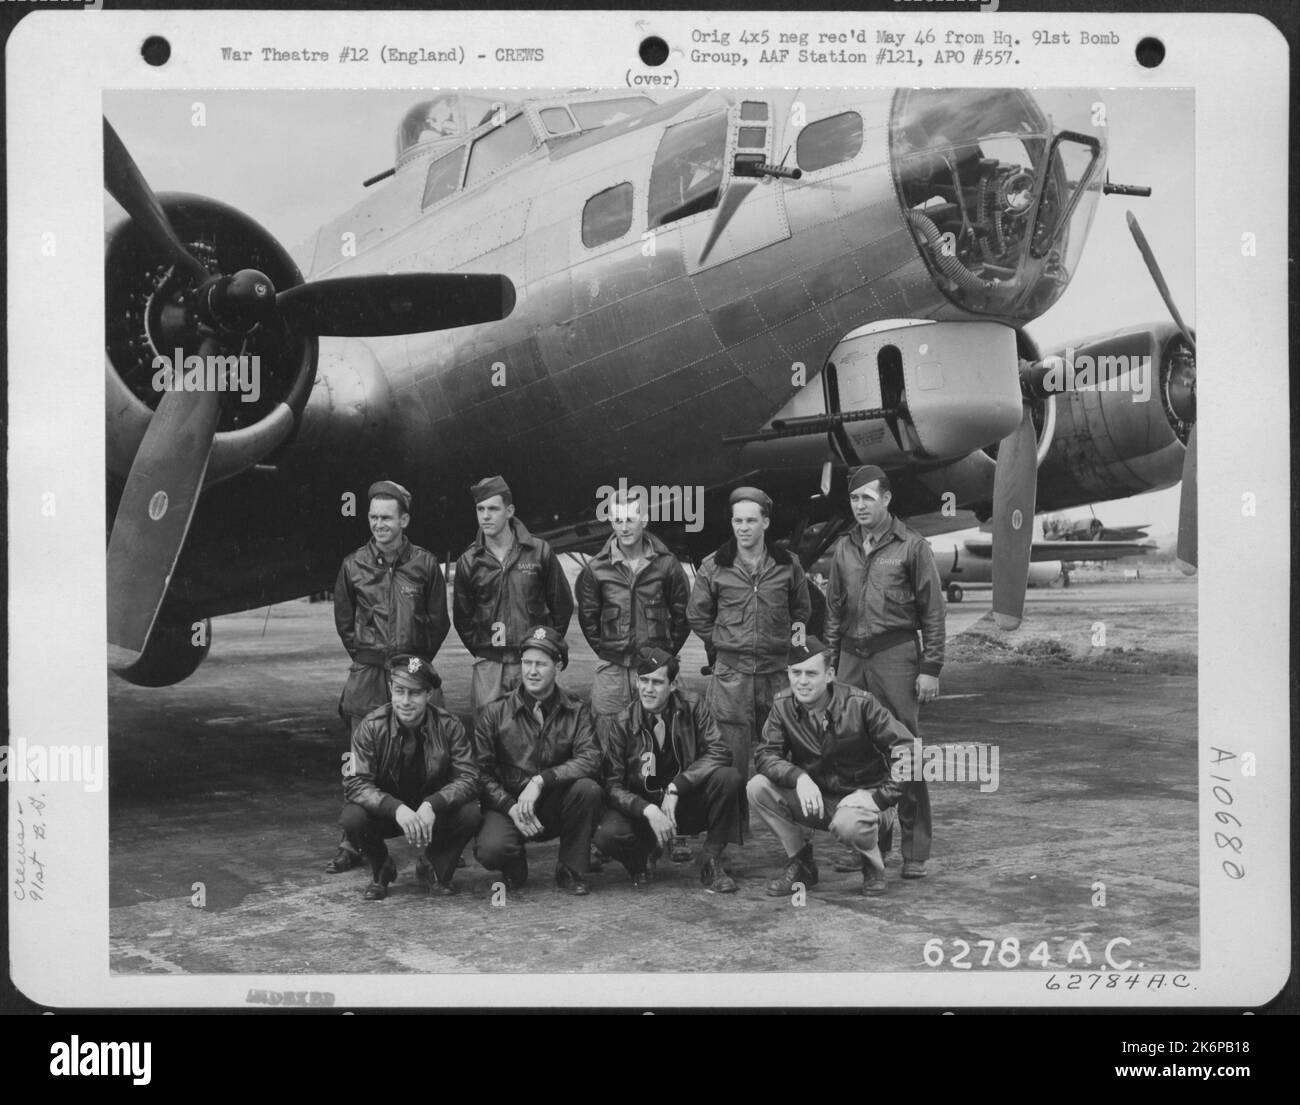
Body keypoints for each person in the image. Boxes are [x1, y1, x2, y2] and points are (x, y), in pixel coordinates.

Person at [824, 464, 944, 880]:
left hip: (896, 656)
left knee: (906, 751)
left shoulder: (912, 546)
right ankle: (866, 843)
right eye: (854, 499)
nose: (859, 506)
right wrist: (830, 664)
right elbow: (834, 609)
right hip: (852, 660)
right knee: (852, 751)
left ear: (886, 499)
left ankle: (914, 851)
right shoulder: (844, 548)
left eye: (867, 498)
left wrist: (931, 666)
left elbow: (933, 611)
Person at [327, 480, 451, 874]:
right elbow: (345, 623)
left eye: (387, 517)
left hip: (411, 669)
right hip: (368, 674)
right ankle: (353, 842)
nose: (379, 524)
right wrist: (369, 657)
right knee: (360, 760)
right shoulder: (352, 565)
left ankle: (442, 838)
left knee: (434, 753)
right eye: (374, 517)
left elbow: (438, 621)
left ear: (404, 520)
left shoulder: (425, 564)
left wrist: (413, 666)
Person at [747, 637, 913, 896]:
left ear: (829, 675)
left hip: (864, 798)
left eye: (811, 673)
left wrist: (881, 797)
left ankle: (872, 865)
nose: (802, 681)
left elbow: (908, 751)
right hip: (819, 796)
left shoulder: (861, 704)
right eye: (796, 673)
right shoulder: (782, 706)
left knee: (849, 823)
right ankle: (802, 863)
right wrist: (799, 777)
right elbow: (766, 755)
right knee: (757, 788)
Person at [687, 486, 811, 784]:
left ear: (765, 522)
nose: (743, 528)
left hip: (777, 674)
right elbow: (696, 614)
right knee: (729, 759)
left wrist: (788, 651)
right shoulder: (714, 565)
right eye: (738, 521)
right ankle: (733, 827)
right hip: (732, 678)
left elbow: (802, 611)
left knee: (785, 751)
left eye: (751, 521)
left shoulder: (787, 564)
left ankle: (789, 819)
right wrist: (722, 643)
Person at [595, 648, 743, 892]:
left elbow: (720, 751)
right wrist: (646, 809)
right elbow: (612, 785)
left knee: (729, 778)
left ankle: (710, 860)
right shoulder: (622, 722)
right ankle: (641, 859)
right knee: (606, 835)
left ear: (673, 685)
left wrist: (677, 786)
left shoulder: (694, 706)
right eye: (643, 681)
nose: (648, 689)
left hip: (685, 804)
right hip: (645, 810)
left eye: (657, 682)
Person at [473, 626, 604, 895]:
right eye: (527, 663)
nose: (532, 671)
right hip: (509, 806)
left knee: (588, 789)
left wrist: (542, 780)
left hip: (554, 804)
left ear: (557, 665)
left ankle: (570, 867)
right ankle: (513, 866)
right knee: (491, 849)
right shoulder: (494, 712)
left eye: (541, 664)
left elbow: (591, 757)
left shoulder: (576, 710)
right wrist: (509, 806)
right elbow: (480, 774)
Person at [339, 655, 482, 901]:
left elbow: (469, 777)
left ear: (428, 694)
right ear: (390, 690)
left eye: (414, 693)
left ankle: (435, 865)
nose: (405, 701)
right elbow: (354, 783)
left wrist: (433, 803)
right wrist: (394, 808)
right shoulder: (371, 727)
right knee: (352, 817)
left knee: (471, 813)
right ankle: (381, 867)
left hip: (432, 814)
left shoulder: (450, 726)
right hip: (391, 814)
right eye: (399, 691)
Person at [453, 475, 574, 712]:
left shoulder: (538, 552)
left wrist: (543, 646)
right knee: (487, 736)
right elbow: (462, 618)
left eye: (493, 509)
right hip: (489, 664)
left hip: (530, 661)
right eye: (480, 509)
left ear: (509, 511)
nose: (485, 516)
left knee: (536, 731)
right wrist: (483, 650)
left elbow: (562, 605)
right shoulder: (469, 561)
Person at [576, 490, 691, 720]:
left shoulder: (667, 565)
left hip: (655, 669)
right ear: (611, 522)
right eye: (618, 520)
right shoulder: (597, 568)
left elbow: (683, 614)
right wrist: (610, 651)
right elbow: (588, 618)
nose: (625, 527)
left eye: (630, 519)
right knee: (607, 737)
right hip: (612, 671)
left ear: (645, 520)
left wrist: (663, 656)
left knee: (660, 739)